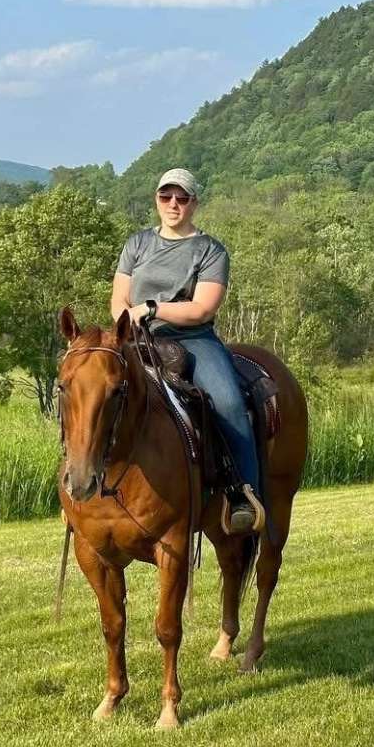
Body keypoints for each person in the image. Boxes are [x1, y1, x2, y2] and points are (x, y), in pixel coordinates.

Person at [110, 167, 265, 535]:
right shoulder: (137, 244)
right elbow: (118, 300)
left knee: (228, 401)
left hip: (192, 340)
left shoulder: (211, 250)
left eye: (182, 197)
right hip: (135, 339)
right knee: (90, 390)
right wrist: (127, 324)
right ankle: (79, 484)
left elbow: (202, 308)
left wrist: (151, 309)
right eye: (166, 196)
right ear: (157, 200)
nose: (173, 204)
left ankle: (242, 494)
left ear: (195, 203)